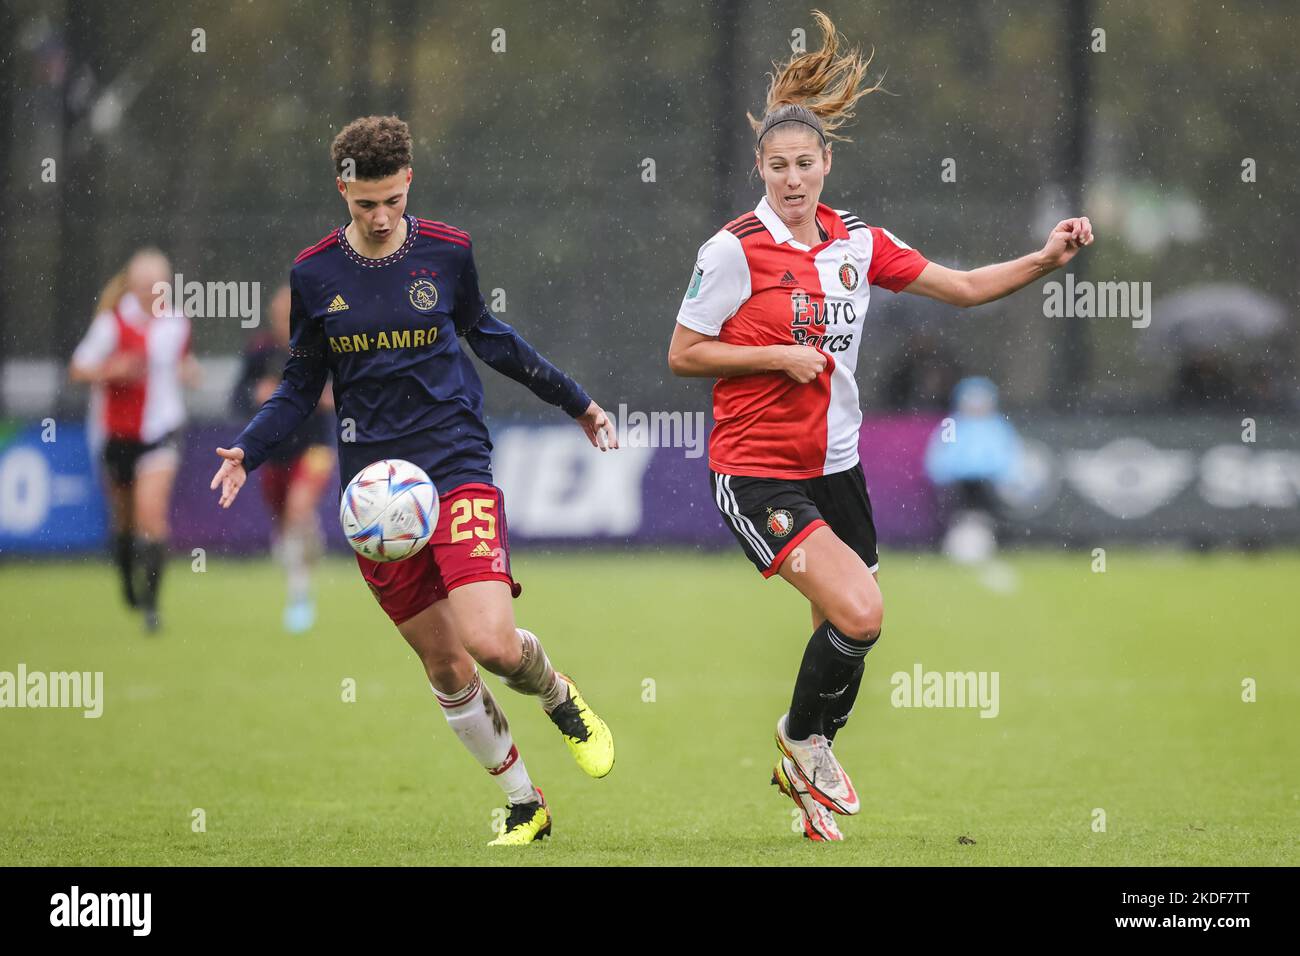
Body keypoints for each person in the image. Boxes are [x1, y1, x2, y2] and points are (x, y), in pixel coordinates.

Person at [667, 11, 1093, 842]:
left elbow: (963, 287)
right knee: (862, 613)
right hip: (755, 469)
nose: (792, 179)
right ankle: (802, 742)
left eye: (805, 164)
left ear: (827, 163)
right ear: (759, 168)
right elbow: (684, 353)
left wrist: (1043, 259)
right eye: (777, 166)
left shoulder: (859, 242)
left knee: (841, 621)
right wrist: (774, 359)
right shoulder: (733, 250)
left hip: (837, 464)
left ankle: (808, 789)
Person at [209, 116, 618, 846]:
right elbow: (302, 384)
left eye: (392, 201)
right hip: (373, 497)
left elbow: (490, 337)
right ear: (343, 191)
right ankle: (527, 803)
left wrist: (577, 402)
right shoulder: (313, 274)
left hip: (456, 463)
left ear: (408, 186)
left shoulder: (448, 252)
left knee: (491, 643)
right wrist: (249, 447)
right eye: (365, 204)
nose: (380, 217)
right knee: (446, 662)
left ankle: (557, 695)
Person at [70, 248, 198, 633]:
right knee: (123, 521)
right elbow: (78, 369)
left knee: (150, 514)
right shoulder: (113, 322)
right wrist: (112, 369)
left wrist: (189, 371)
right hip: (117, 434)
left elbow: (180, 363)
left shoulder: (177, 322)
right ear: (132, 286)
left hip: (162, 430)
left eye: (159, 286)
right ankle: (127, 582)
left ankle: (152, 608)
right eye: (145, 286)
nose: (152, 293)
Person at [231, 285, 337, 633]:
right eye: (280, 316)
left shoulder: (324, 344)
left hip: (316, 448)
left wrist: (334, 397)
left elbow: (351, 388)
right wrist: (254, 395)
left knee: (298, 508)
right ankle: (310, 544)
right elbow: (236, 399)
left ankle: (299, 595)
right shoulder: (260, 352)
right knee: (286, 528)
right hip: (274, 456)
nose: (286, 322)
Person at [924, 376, 1023, 564]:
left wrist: (999, 475)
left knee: (983, 504)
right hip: (959, 484)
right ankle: (960, 540)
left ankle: (982, 538)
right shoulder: (952, 425)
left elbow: (1009, 457)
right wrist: (950, 473)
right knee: (960, 505)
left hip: (988, 484)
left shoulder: (998, 427)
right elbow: (939, 458)